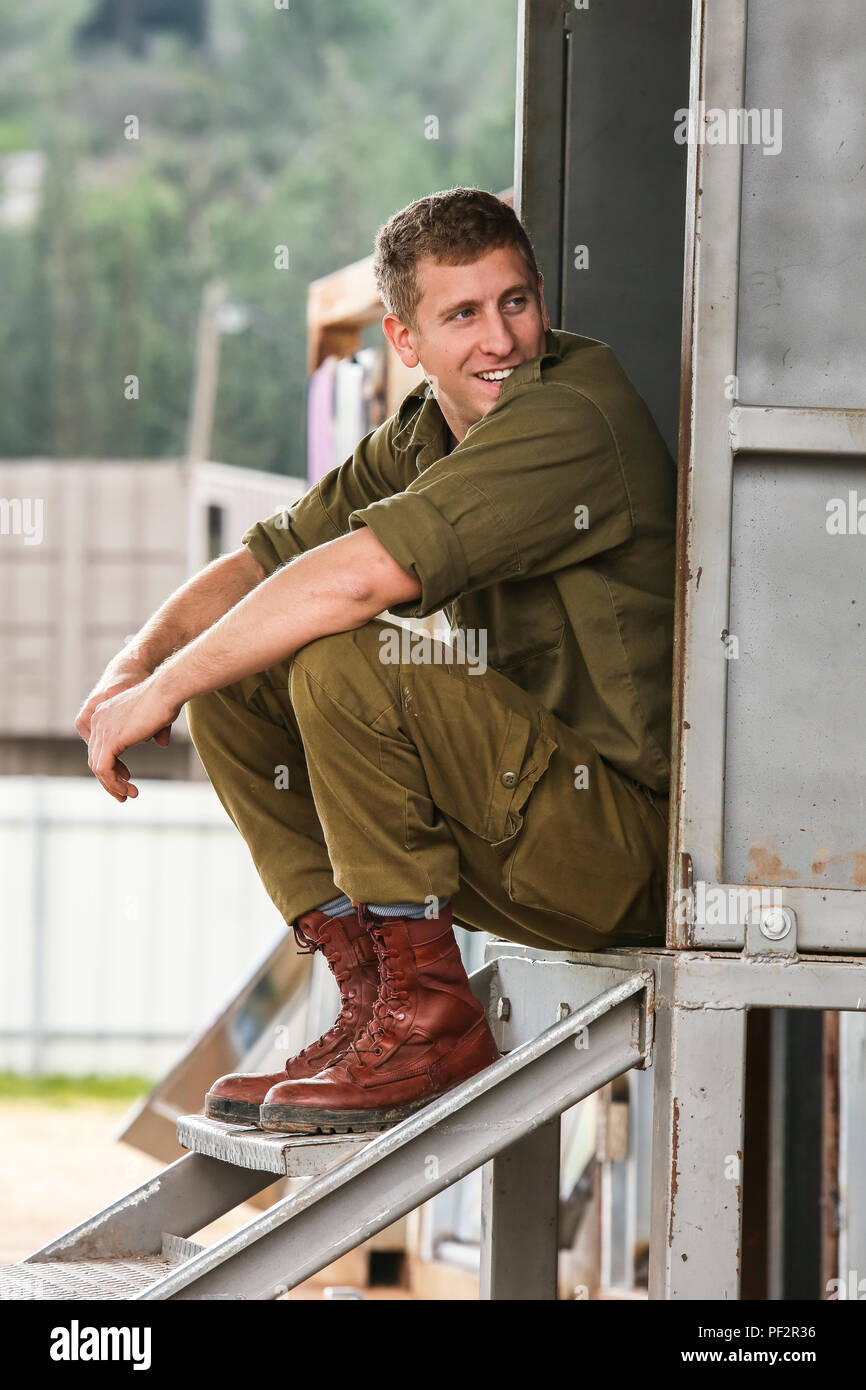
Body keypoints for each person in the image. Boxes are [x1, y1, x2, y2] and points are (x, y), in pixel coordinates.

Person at [76, 187, 675, 1136]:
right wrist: (134, 666)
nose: (501, 340)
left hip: (630, 856)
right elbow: (260, 569)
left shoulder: (572, 416)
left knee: (341, 657)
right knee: (239, 663)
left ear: (544, 300)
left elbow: (352, 583)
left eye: (516, 301)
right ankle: (380, 1002)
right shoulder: (423, 435)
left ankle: (429, 1026)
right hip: (524, 835)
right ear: (407, 342)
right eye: (463, 315)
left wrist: (163, 691)